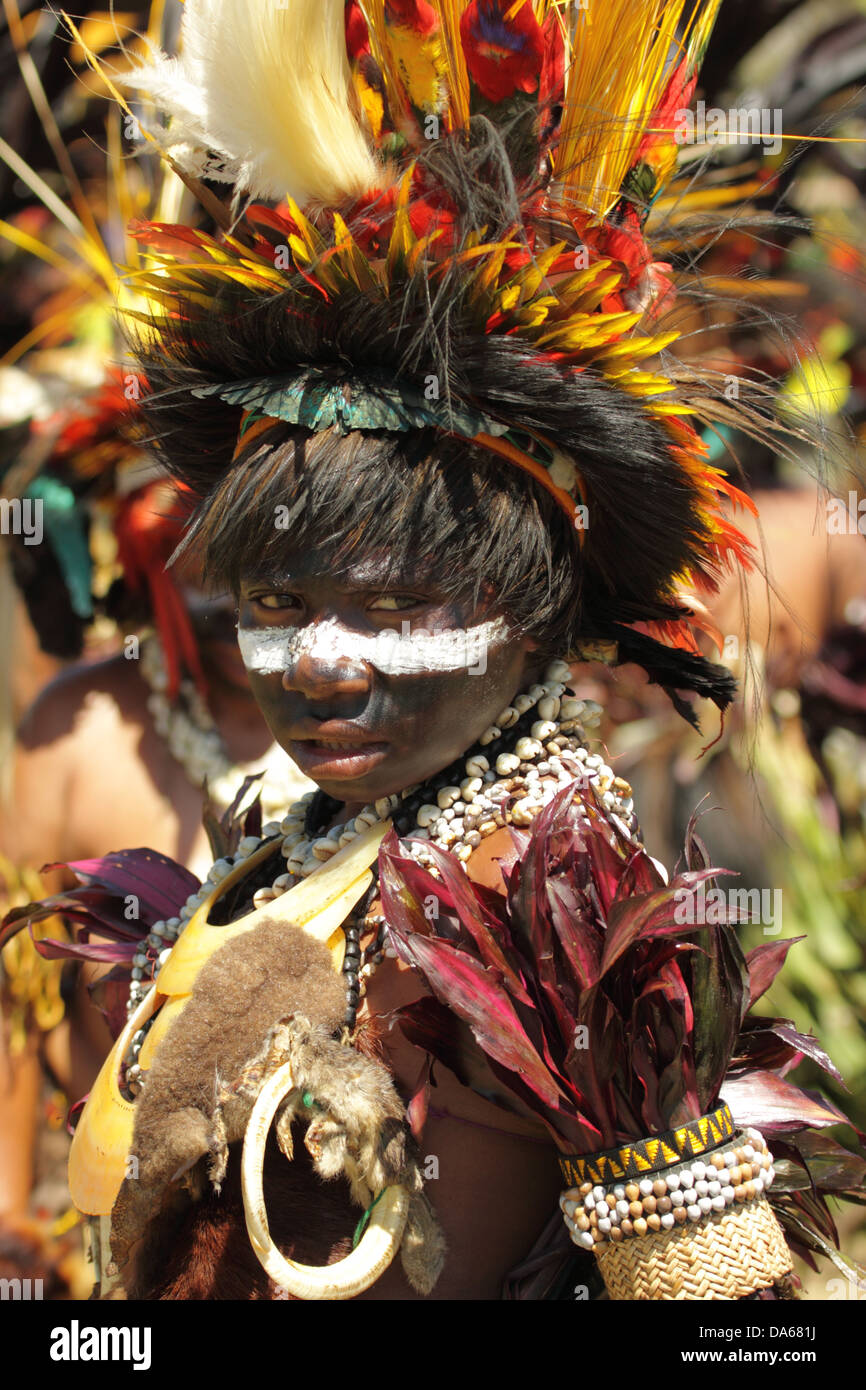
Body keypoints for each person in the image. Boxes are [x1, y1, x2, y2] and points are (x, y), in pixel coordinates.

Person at [16, 0, 866, 1300]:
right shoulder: (307, 839)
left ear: (531, 618)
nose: (321, 662)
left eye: (400, 607)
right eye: (277, 600)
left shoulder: (554, 904)